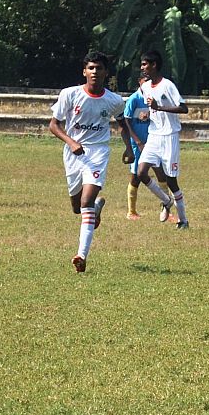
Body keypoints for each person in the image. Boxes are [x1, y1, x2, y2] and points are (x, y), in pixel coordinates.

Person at [48, 51, 134, 273]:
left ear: (106, 73)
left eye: (99, 68)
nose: (95, 72)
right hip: (73, 153)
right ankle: (95, 210)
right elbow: (54, 125)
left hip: (97, 153)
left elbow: (123, 124)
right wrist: (71, 142)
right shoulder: (70, 94)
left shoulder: (114, 101)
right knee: (78, 208)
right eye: (91, 68)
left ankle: (81, 255)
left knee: (85, 201)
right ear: (84, 71)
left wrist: (129, 147)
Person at [132, 50, 190, 229]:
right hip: (154, 135)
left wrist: (160, 107)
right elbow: (151, 108)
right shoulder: (145, 87)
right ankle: (166, 201)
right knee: (141, 172)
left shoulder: (168, 85)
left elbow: (183, 109)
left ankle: (183, 220)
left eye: (144, 64)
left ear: (154, 65)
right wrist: (145, 114)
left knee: (171, 180)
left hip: (169, 136)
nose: (142, 68)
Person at [123, 72, 169, 220]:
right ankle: (131, 211)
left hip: (153, 143)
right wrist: (137, 142)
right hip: (139, 144)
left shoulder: (152, 98)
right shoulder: (134, 99)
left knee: (161, 174)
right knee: (136, 176)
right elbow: (127, 122)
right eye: (146, 80)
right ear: (140, 81)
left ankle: (166, 208)